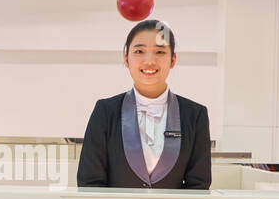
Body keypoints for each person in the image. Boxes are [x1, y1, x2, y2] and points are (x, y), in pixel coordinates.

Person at [76, 20, 211, 190]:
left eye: (160, 52)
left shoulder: (194, 115)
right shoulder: (105, 111)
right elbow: (89, 182)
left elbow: (199, 186)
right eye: (139, 51)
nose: (149, 61)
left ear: (173, 60)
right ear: (126, 58)